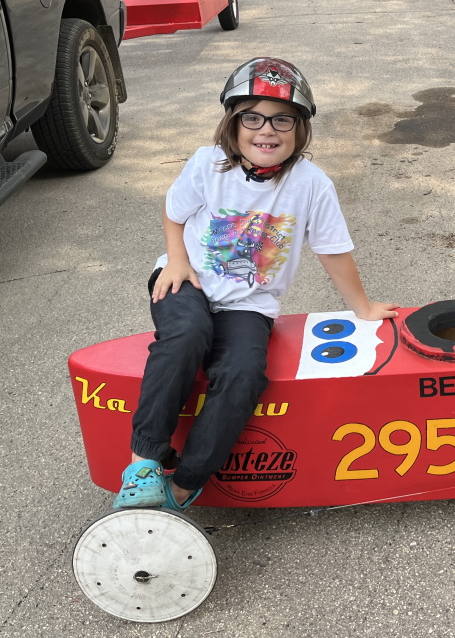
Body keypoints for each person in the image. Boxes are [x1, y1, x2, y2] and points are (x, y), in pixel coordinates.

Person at [114, 57, 399, 511]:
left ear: (299, 128)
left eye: (282, 119)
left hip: (249, 303)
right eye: (253, 117)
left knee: (245, 373)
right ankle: (143, 462)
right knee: (187, 334)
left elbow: (332, 250)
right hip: (188, 281)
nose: (267, 130)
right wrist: (176, 261)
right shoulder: (209, 164)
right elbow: (175, 210)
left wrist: (362, 308)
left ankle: (184, 485)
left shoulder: (312, 184)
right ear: (233, 123)